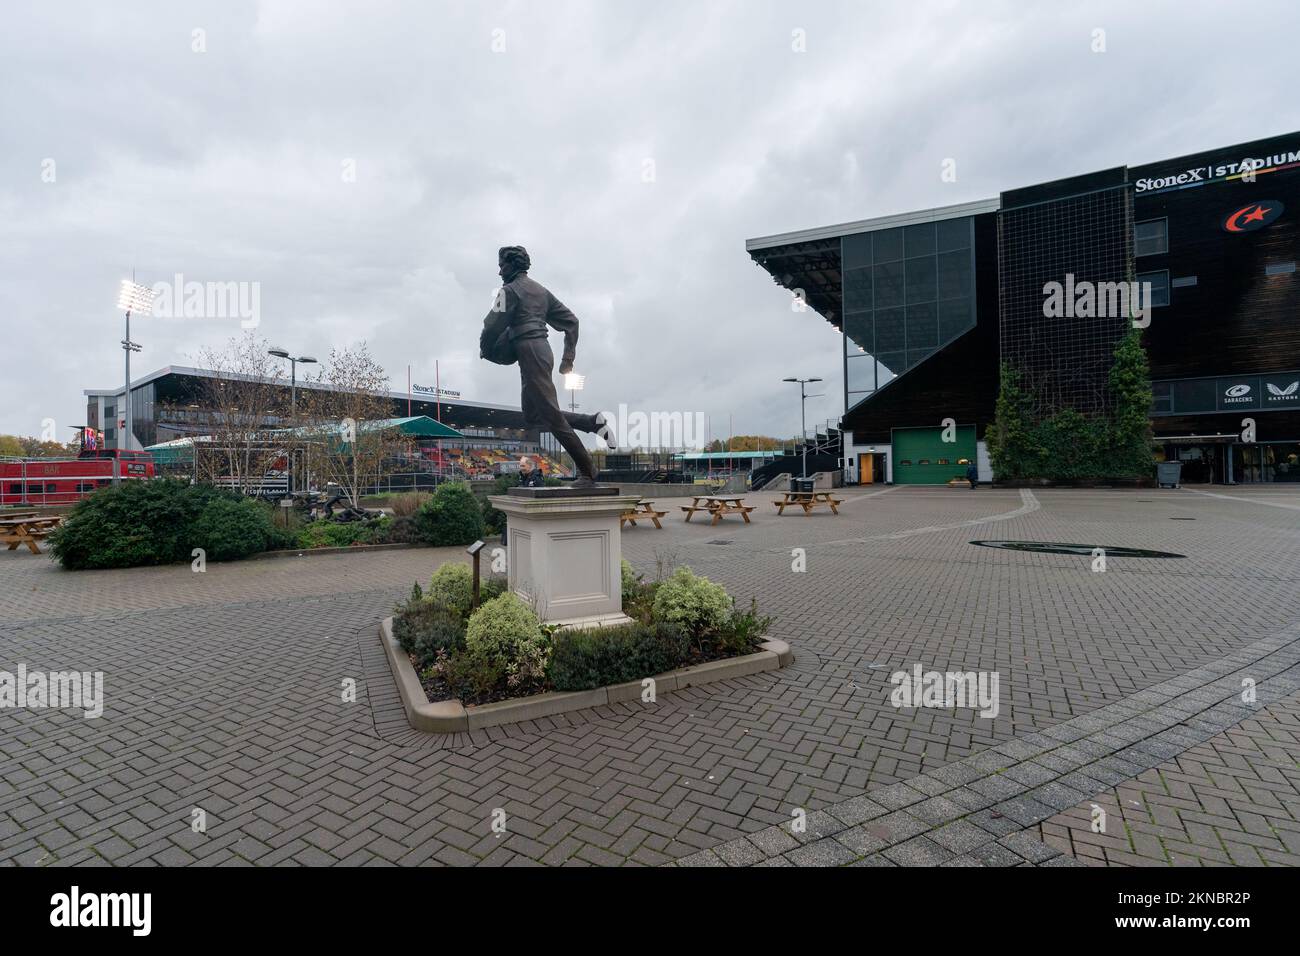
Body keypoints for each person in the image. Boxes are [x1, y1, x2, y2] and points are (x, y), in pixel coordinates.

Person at [479, 246, 616, 487]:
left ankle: (588, 473)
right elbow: (571, 321)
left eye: (502, 265)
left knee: (552, 418)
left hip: (530, 351)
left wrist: (486, 348)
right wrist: (566, 360)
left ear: (513, 265)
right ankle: (590, 422)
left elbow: (491, 324)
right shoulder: (540, 290)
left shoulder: (508, 290)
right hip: (539, 351)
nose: (499, 270)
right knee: (532, 415)